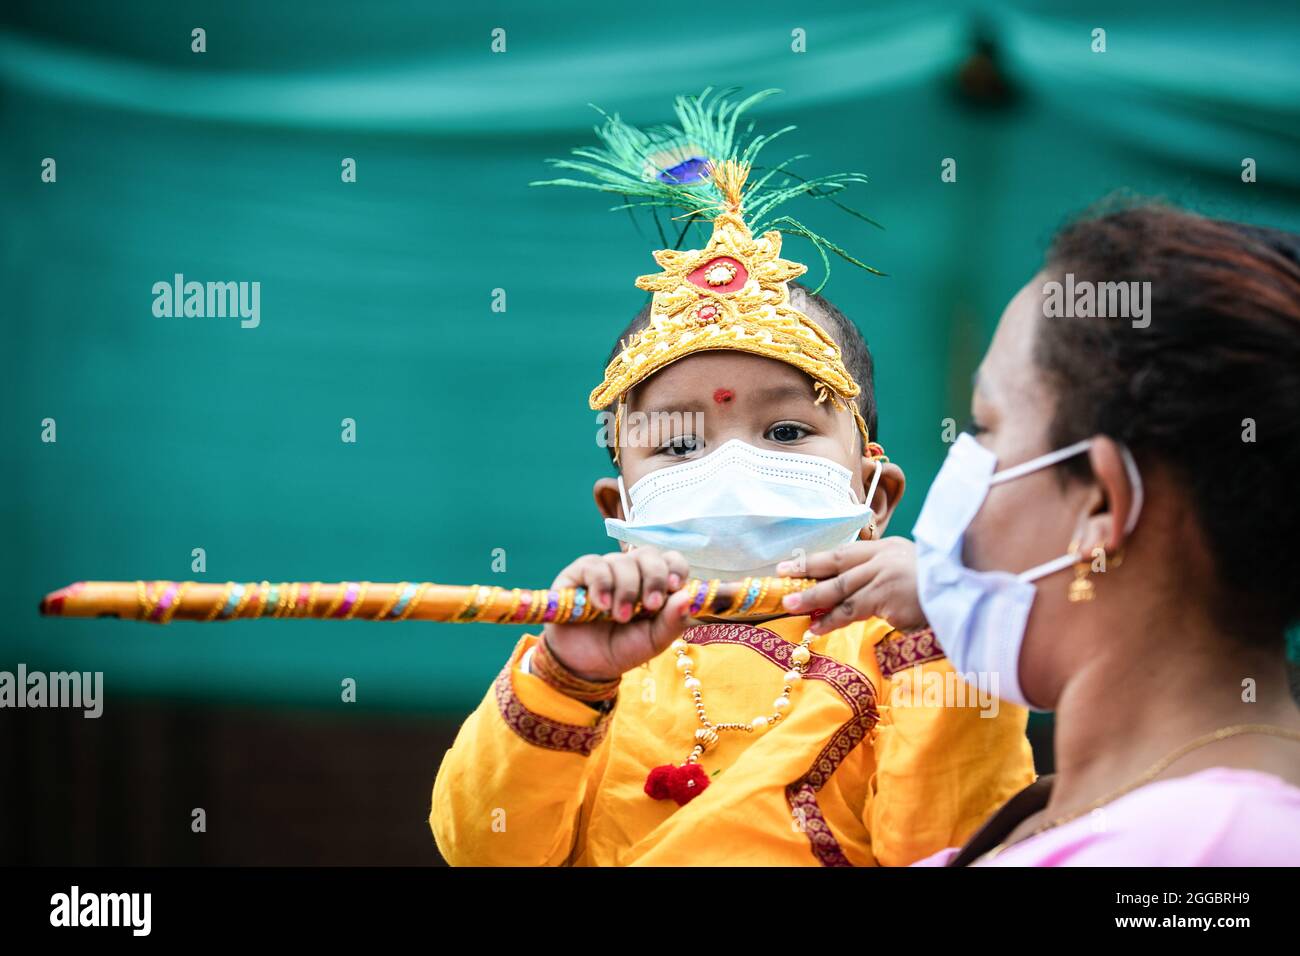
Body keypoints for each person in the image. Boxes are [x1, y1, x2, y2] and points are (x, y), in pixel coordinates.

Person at [428, 90, 1035, 866]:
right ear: (621, 506)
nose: (730, 466)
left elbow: (947, 848)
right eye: (677, 446)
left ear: (876, 498)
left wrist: (948, 627)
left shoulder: (909, 644)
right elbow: (483, 852)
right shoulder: (589, 654)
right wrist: (565, 674)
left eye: (786, 431)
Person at [790, 202, 1300, 865]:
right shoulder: (1072, 821)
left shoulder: (1217, 845)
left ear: (1099, 500)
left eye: (986, 427)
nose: (959, 468)